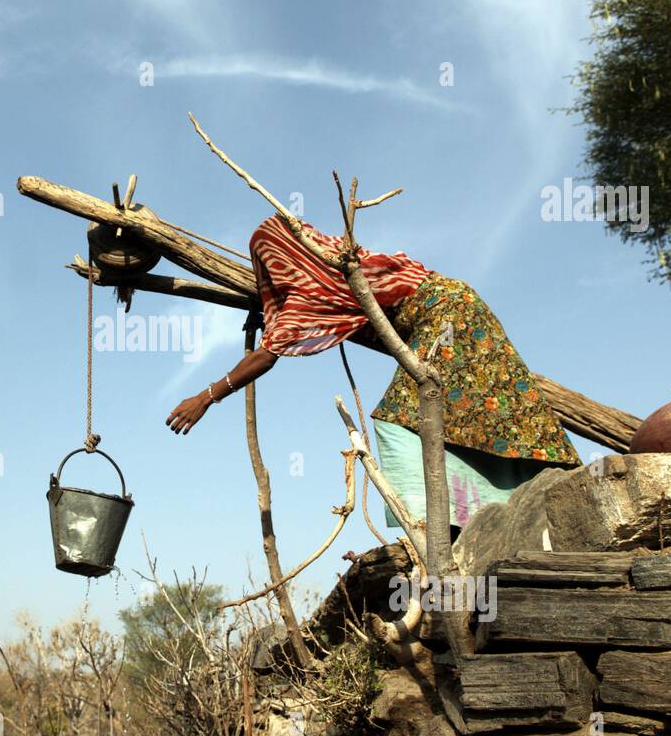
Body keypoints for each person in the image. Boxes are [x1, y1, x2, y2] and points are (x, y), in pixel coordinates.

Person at [165, 213, 581, 531]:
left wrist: (206, 396)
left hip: (444, 315)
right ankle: (516, 502)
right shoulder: (340, 261)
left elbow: (266, 355)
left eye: (271, 266)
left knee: (402, 417)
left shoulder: (313, 290)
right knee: (492, 407)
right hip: (459, 302)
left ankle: (438, 523)